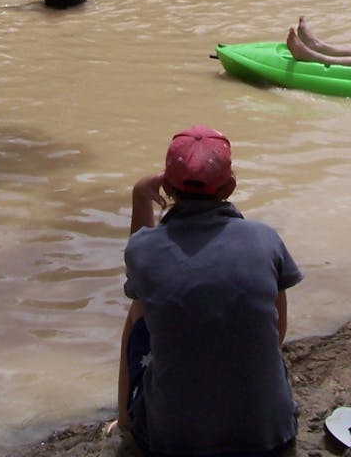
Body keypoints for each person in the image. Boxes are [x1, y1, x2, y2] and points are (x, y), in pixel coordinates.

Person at [117, 125, 302, 457]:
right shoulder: (265, 239)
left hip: (172, 444)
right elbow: (278, 333)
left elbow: (141, 270)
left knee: (137, 314)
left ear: (167, 186)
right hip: (271, 439)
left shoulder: (145, 248)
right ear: (230, 188)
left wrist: (139, 196)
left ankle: (124, 422)